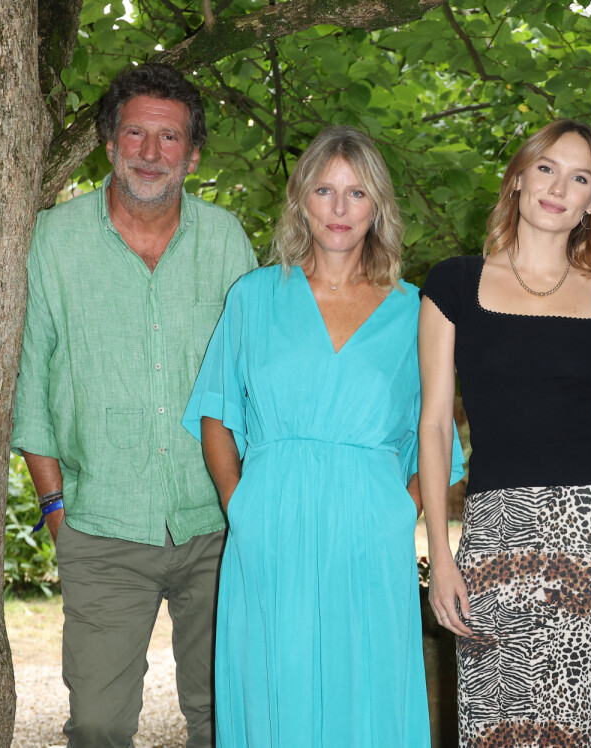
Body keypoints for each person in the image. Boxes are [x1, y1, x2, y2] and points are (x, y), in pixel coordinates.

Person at [182, 125, 464, 746]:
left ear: (378, 207)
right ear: (301, 200)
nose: (340, 209)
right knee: (272, 691)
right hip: (269, 528)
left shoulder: (415, 311)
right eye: (325, 190)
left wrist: (400, 507)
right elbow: (214, 414)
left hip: (370, 533)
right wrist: (243, 506)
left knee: (364, 693)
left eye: (357, 193)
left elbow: (438, 433)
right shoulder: (255, 296)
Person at [11, 63, 256, 747]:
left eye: (169, 138)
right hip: (101, 522)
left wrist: (249, 505)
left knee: (225, 716)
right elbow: (32, 379)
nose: (151, 153)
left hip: (215, 524)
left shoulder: (226, 241)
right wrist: (56, 508)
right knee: (96, 725)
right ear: (110, 143)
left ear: (194, 154)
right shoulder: (54, 242)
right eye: (136, 134)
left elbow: (255, 379)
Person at [418, 119, 591, 747]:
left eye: (579, 178)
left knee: (570, 734)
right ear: (517, 178)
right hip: (497, 528)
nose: (557, 187)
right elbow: (435, 424)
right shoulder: (454, 284)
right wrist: (442, 553)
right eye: (546, 168)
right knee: (495, 728)